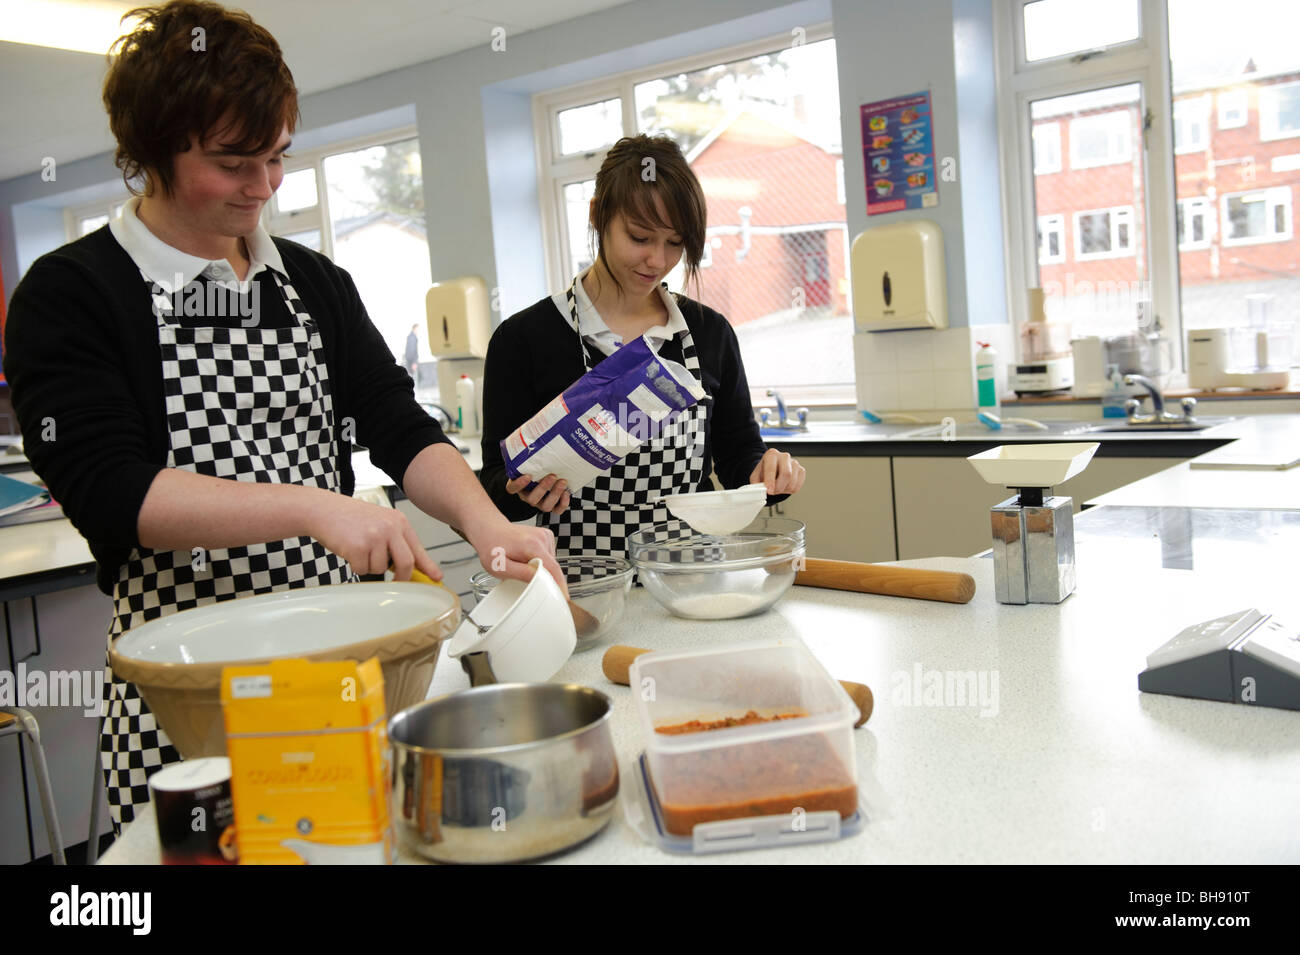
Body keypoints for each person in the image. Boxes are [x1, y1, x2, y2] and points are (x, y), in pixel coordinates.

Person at [1, 0, 561, 830]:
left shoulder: (312, 284)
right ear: (152, 153)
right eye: (234, 163)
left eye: (277, 158)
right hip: (187, 699)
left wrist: (488, 523)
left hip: (333, 678)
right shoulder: (72, 294)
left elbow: (397, 424)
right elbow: (115, 492)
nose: (263, 187)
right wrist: (314, 507)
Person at [479, 134, 805, 557]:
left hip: (689, 568)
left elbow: (737, 453)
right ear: (598, 215)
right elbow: (492, 481)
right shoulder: (524, 339)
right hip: (583, 577)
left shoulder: (709, 334)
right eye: (639, 237)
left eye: (675, 243)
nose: (657, 259)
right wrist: (519, 492)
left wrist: (767, 474)